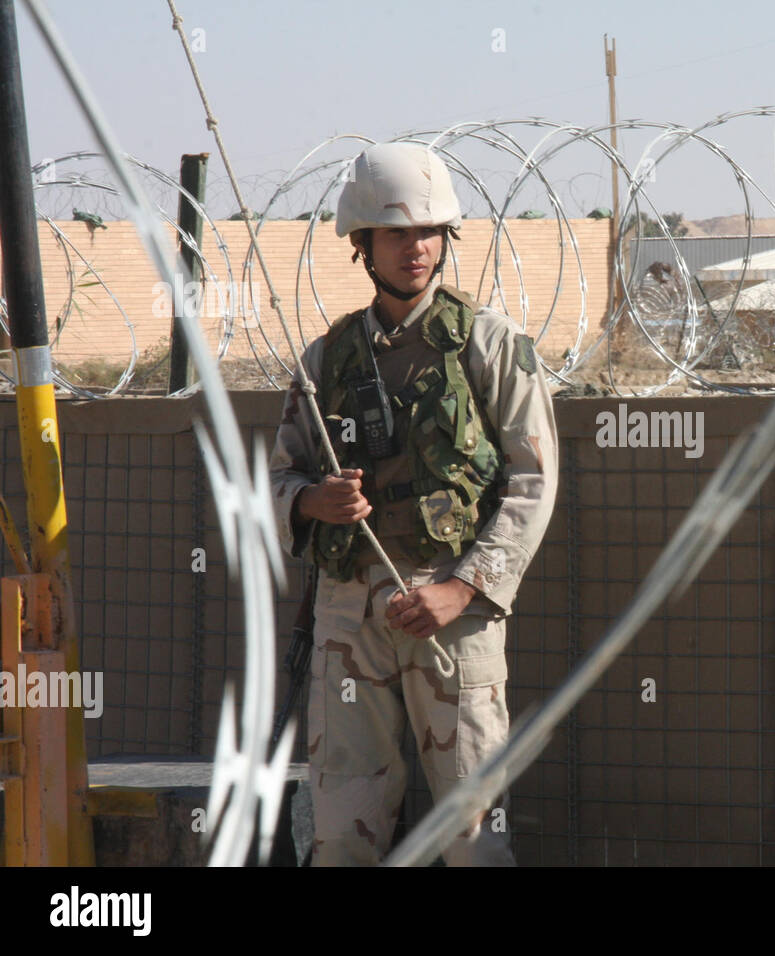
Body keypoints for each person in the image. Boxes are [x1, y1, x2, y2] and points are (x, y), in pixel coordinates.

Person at [268, 141, 558, 866]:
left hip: (450, 613)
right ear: (363, 243)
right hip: (348, 618)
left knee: (473, 835)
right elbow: (275, 481)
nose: (417, 248)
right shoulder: (325, 360)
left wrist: (465, 588)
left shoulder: (490, 345)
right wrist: (311, 502)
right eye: (398, 233)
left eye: (430, 232)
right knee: (341, 834)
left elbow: (534, 482)